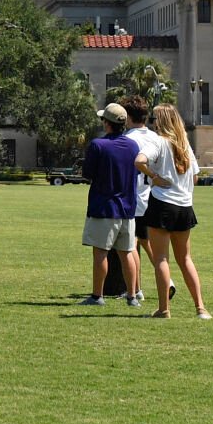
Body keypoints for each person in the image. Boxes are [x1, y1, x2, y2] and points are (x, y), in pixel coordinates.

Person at [135, 103, 210, 320]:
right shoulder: (185, 145)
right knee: (185, 258)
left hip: (162, 205)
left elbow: (139, 161)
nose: (153, 123)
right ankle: (201, 308)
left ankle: (163, 309)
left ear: (163, 121)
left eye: (155, 119)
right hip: (185, 207)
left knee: (161, 259)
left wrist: (154, 177)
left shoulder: (158, 142)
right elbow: (194, 176)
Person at [79, 102, 139, 307]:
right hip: (128, 209)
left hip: (104, 207)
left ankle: (97, 296)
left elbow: (88, 174)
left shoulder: (98, 145)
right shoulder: (133, 146)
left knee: (100, 253)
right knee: (127, 253)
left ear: (107, 123)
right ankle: (132, 296)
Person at [120, 95, 170, 306]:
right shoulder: (155, 137)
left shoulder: (127, 140)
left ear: (127, 117)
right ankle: (140, 288)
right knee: (147, 243)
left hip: (133, 197)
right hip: (152, 197)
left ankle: (139, 289)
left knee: (133, 245)